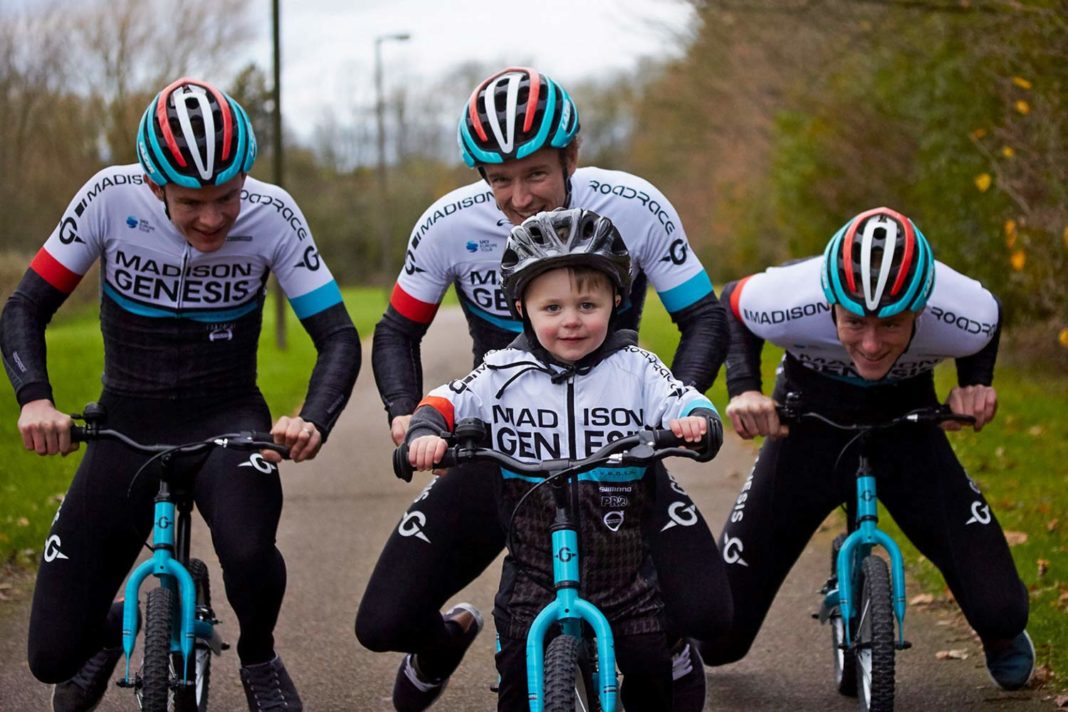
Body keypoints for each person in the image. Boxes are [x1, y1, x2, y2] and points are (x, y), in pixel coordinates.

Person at [358, 66, 731, 711]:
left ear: (572, 157)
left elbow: (703, 318)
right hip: (502, 441)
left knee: (709, 612)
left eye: (535, 174)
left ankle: (665, 644)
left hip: (615, 448)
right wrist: (405, 415)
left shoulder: (633, 206)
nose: (520, 196)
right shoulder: (448, 224)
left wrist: (678, 411)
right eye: (499, 180)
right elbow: (395, 332)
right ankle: (444, 643)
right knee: (384, 622)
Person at [0, 77, 361, 712]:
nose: (214, 217)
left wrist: (312, 419)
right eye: (191, 202)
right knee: (50, 657)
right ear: (153, 183)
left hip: (227, 419)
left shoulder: (273, 212)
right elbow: (25, 306)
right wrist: (35, 398)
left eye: (227, 197)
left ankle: (259, 655)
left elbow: (337, 336)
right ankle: (118, 627)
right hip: (125, 422)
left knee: (249, 550)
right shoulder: (109, 199)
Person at [402, 208, 725, 710]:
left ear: (616, 301)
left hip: (623, 568)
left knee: (649, 668)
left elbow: (680, 397)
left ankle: (669, 662)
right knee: (515, 681)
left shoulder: (635, 368)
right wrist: (426, 430)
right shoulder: (502, 370)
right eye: (551, 307)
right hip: (533, 568)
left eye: (587, 303)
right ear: (522, 309)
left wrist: (696, 420)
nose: (571, 320)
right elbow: (447, 399)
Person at [700, 206, 1033, 691]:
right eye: (854, 323)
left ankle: (1003, 638)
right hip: (806, 426)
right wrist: (745, 388)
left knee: (1002, 609)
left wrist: (974, 385)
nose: (872, 345)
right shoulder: (791, 296)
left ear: (921, 309)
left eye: (893, 325)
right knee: (717, 639)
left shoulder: (962, 310)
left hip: (906, 425)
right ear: (829, 303)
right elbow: (731, 305)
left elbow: (989, 319)